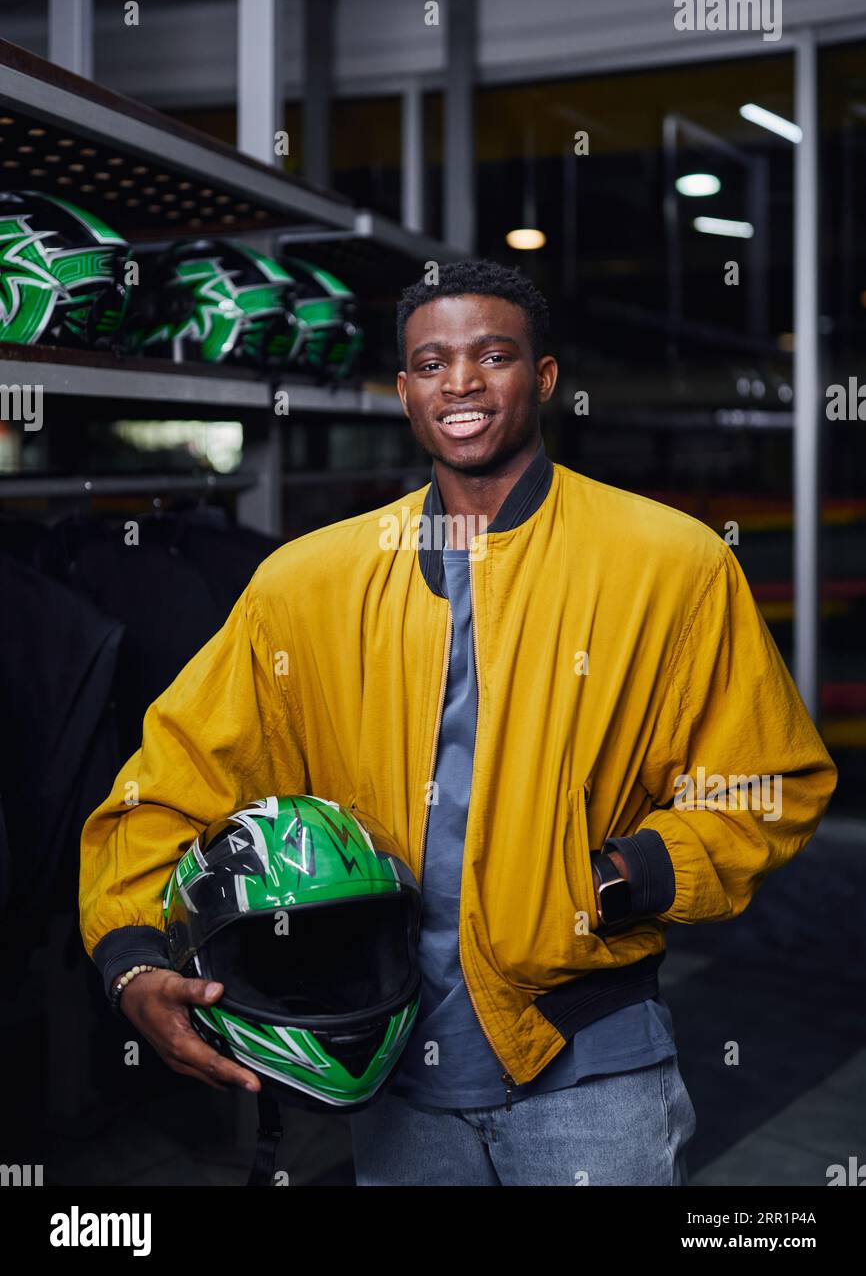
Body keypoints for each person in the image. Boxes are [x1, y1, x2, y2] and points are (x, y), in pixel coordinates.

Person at [79, 258, 837, 1187]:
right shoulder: (308, 583)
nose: (462, 383)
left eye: (493, 356)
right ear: (404, 391)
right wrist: (131, 956)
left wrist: (624, 877)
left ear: (546, 378)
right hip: (389, 1061)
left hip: (589, 1067)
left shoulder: (669, 565)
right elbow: (176, 776)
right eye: (432, 364)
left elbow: (771, 782)